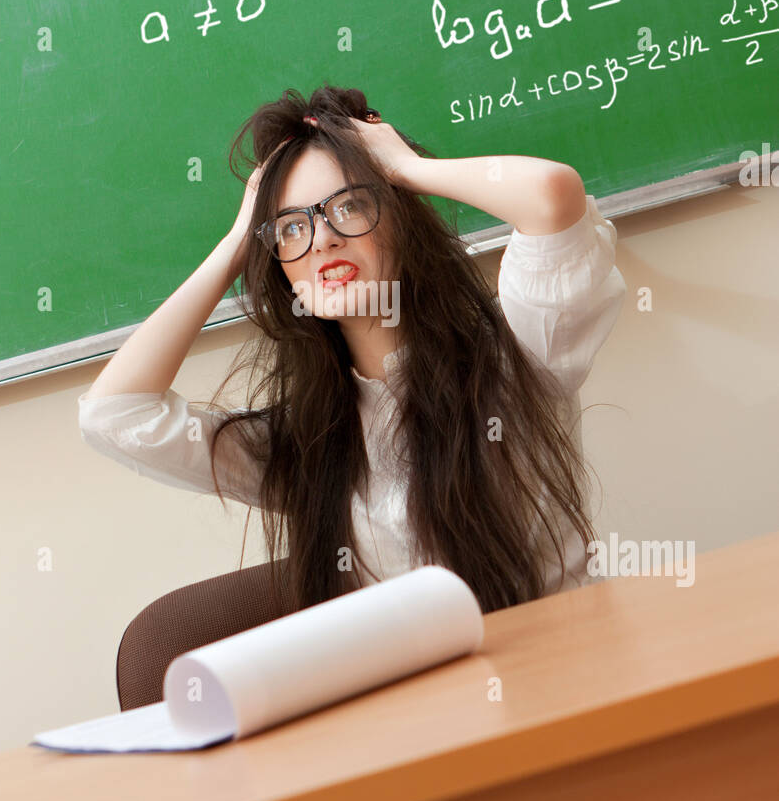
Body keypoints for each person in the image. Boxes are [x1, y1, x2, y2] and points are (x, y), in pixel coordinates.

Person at [78, 84, 626, 614]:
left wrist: (407, 166)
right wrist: (239, 238)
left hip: (568, 674)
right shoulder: (303, 443)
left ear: (401, 214)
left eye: (350, 206)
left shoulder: (523, 354)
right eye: (291, 227)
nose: (322, 240)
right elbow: (114, 415)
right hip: (423, 700)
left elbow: (554, 198)